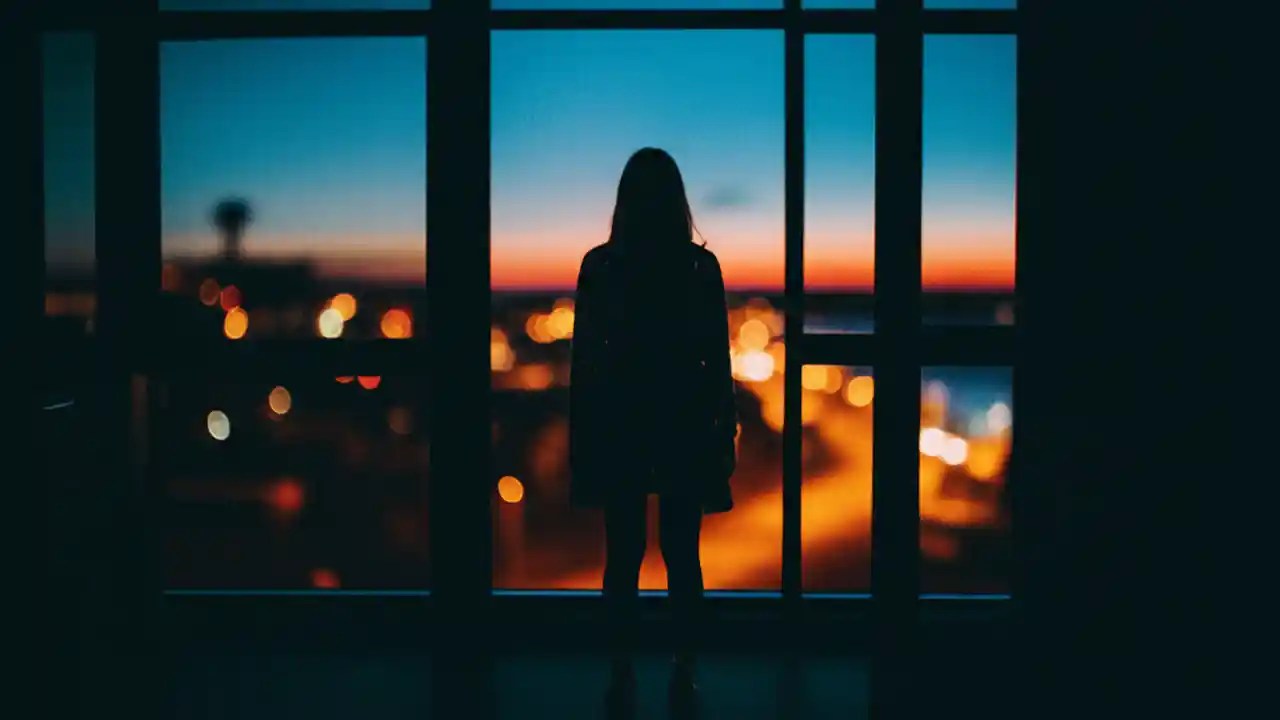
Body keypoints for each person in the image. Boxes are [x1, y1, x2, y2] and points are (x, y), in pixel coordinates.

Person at [568, 148, 738, 715]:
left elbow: (586, 362)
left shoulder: (601, 266)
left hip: (620, 421)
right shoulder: (698, 268)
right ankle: (684, 671)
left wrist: (583, 434)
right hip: (683, 420)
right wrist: (723, 426)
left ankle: (620, 671)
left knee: (623, 553)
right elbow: (717, 357)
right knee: (681, 554)